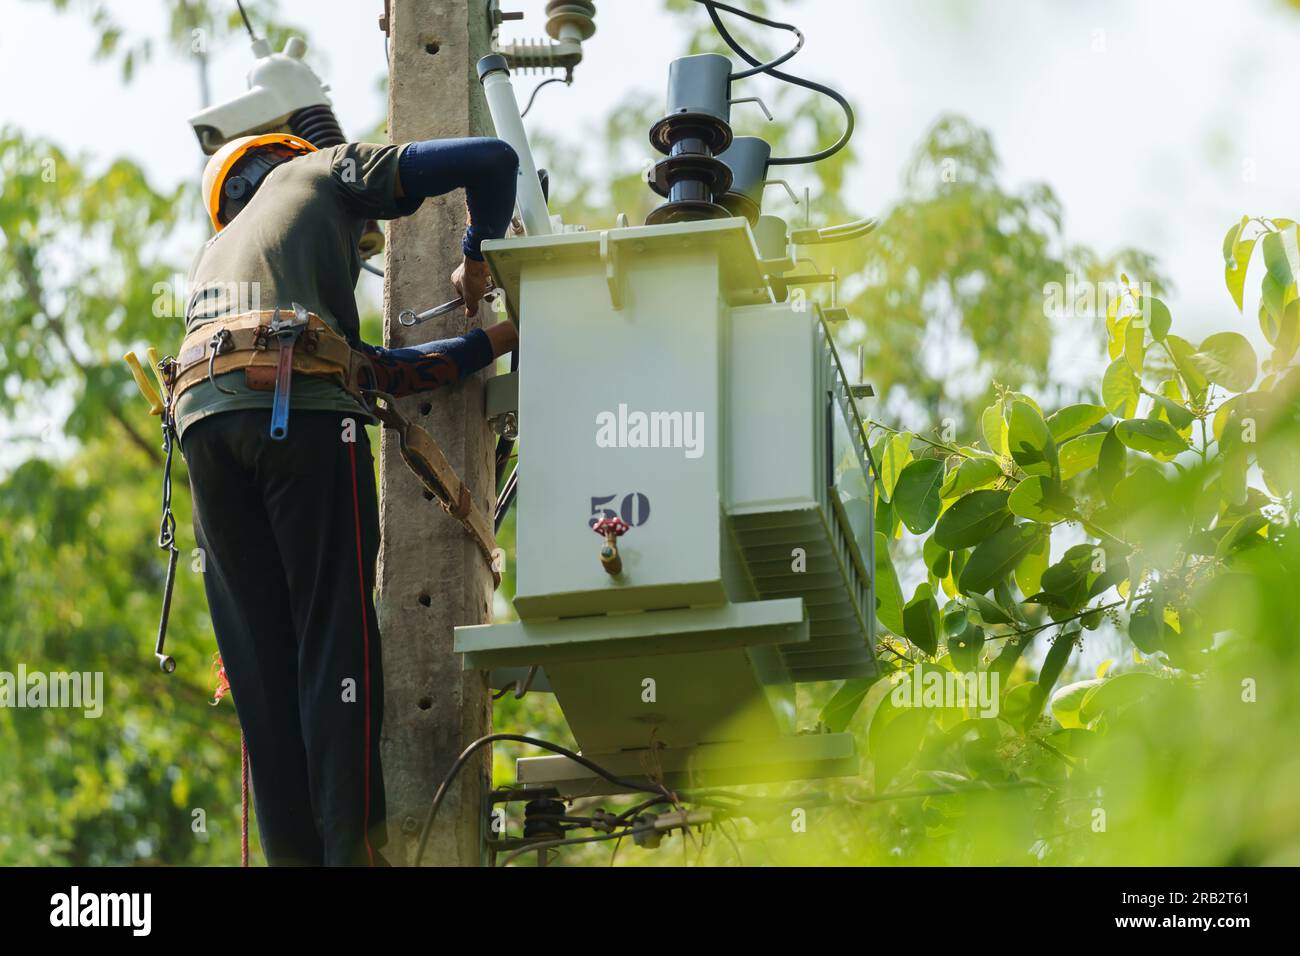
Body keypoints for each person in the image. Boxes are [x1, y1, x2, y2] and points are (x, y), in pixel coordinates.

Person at [176, 132, 519, 865]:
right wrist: (478, 251)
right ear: (277, 158)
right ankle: (356, 850)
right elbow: (494, 160)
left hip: (206, 426)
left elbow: (380, 373)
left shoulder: (223, 267)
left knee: (262, 663)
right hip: (298, 414)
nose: (370, 238)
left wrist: (498, 339)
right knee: (336, 634)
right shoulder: (322, 169)